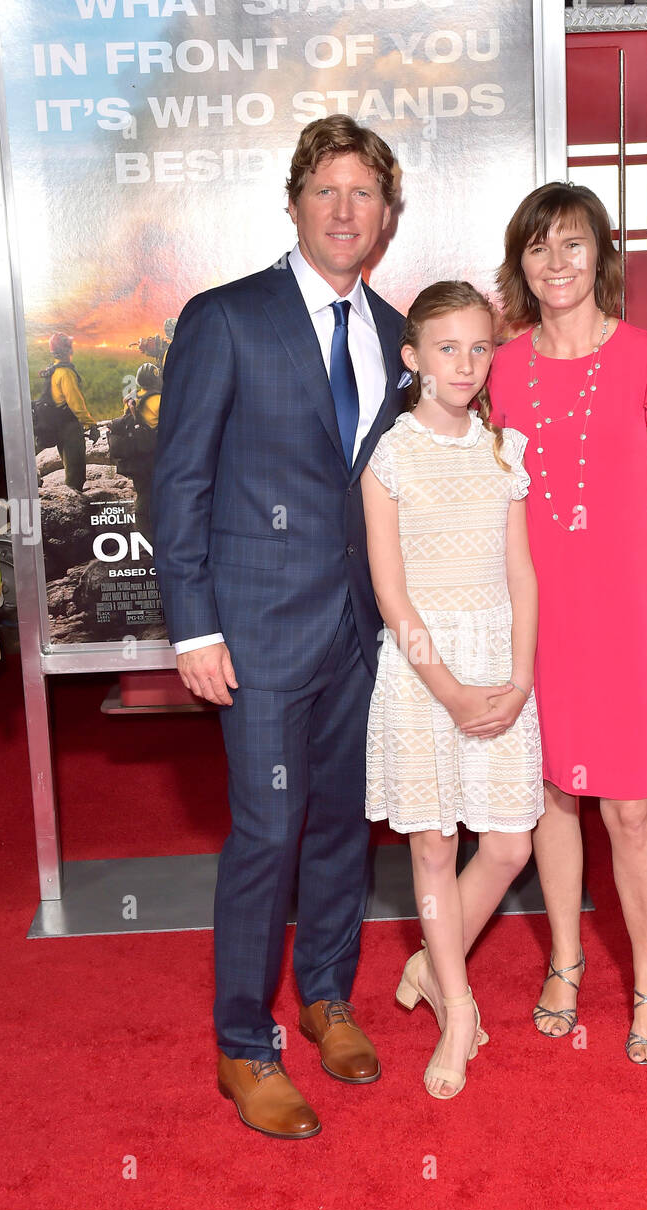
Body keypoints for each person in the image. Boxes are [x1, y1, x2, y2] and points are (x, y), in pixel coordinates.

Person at [151, 115, 409, 1139]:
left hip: (358, 633)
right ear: (295, 202)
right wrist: (193, 627)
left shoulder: (395, 333)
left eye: (365, 194)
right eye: (327, 191)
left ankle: (327, 994)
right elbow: (178, 482)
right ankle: (242, 1045)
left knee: (343, 827)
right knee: (267, 831)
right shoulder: (225, 318)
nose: (345, 211)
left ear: (387, 216)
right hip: (253, 632)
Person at [486, 183, 647, 1065]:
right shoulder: (501, 367)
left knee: (634, 811)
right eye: (540, 249)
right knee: (548, 796)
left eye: (572, 245)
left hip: (626, 618)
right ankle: (565, 961)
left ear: (601, 256)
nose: (557, 264)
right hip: (535, 615)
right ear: (520, 264)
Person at [362, 281, 544, 1099]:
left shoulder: (505, 450)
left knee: (508, 844)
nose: (466, 364)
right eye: (448, 348)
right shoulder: (390, 457)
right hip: (421, 669)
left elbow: (523, 574)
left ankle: (430, 966)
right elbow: (391, 596)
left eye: (480, 348)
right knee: (434, 846)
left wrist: (520, 676)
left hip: (501, 665)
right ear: (413, 359)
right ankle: (459, 1006)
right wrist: (449, 690)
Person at [34, 333, 98, 491]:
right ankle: (75, 504)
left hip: (58, 425)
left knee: (69, 465)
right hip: (69, 427)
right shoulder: (66, 373)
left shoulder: (53, 370)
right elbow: (76, 404)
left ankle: (72, 495)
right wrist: (91, 424)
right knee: (75, 472)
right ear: (68, 349)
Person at [107, 361, 161, 536]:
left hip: (136, 456)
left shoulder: (131, 398)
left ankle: (147, 531)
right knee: (148, 498)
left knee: (143, 491)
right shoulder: (160, 400)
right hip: (153, 456)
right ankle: (149, 536)